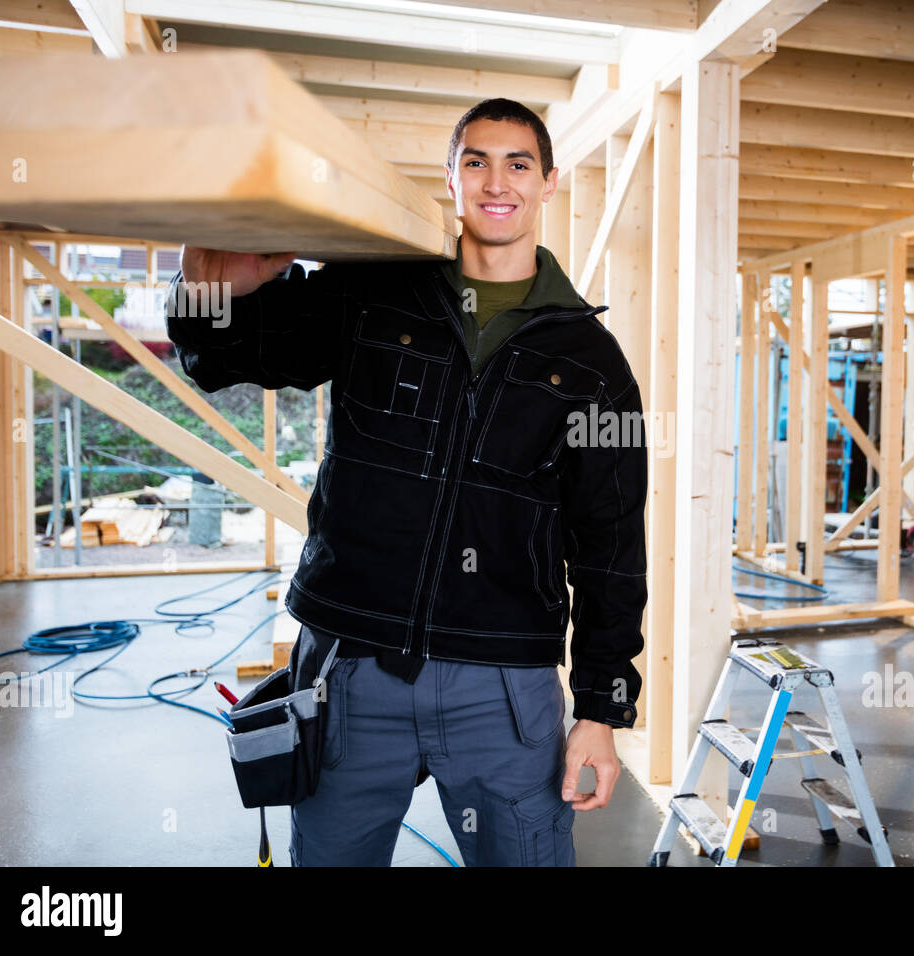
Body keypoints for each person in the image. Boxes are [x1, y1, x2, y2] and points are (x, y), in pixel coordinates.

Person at [165, 98, 647, 866]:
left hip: (504, 686)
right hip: (352, 670)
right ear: (450, 179)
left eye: (519, 163)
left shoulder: (595, 363)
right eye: (477, 161)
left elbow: (611, 546)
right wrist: (208, 282)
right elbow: (225, 354)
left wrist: (601, 709)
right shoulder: (370, 293)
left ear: (548, 183)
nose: (498, 181)